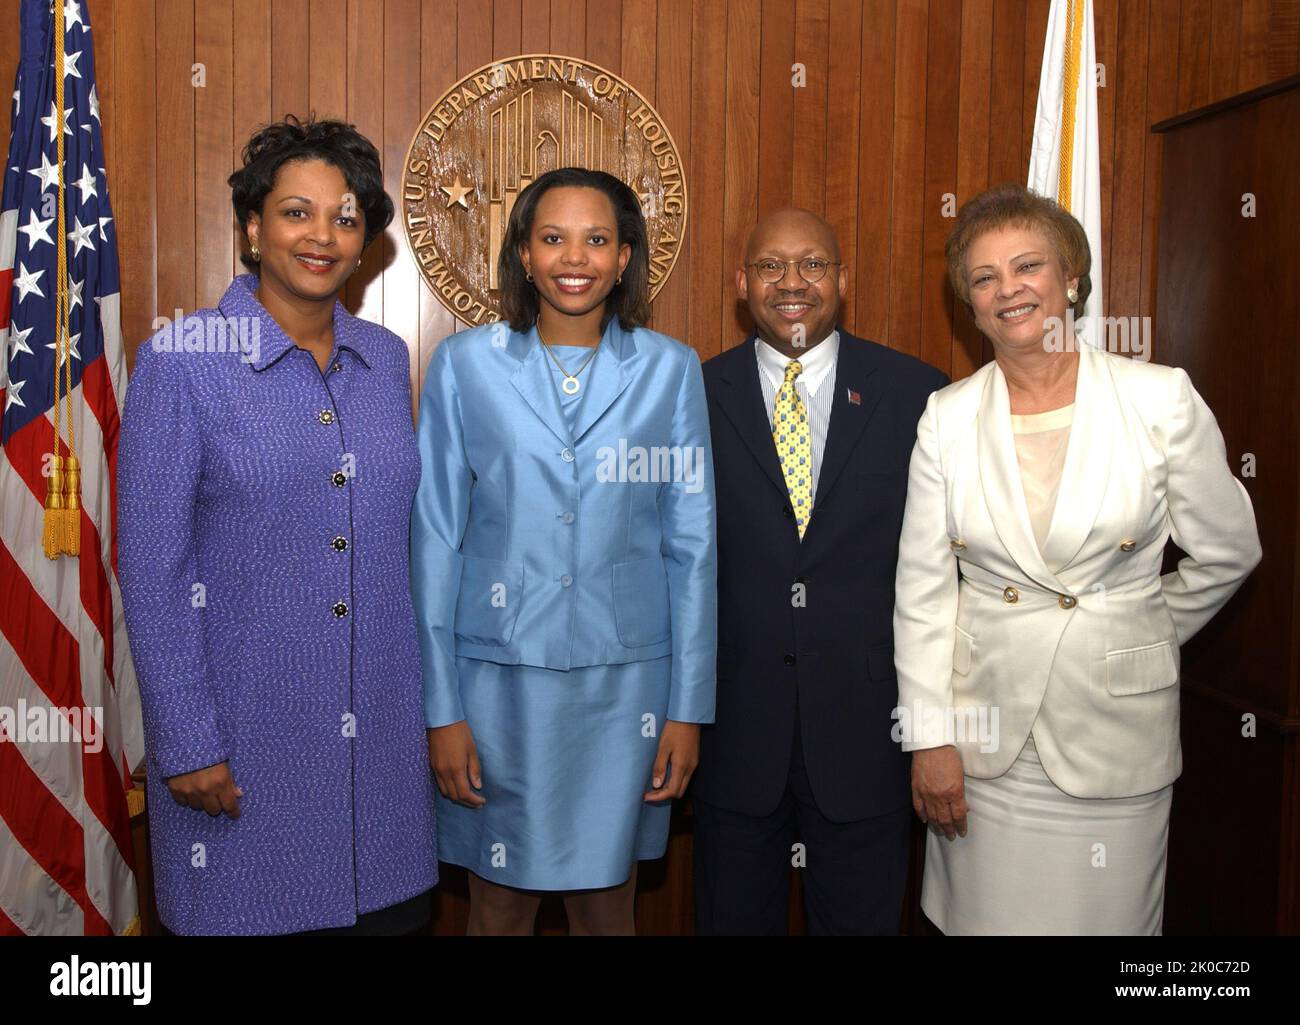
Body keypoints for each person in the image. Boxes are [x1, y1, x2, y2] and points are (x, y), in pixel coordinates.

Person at [895, 182, 1263, 935]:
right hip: (983, 744)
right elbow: (924, 591)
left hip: (1113, 735)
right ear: (969, 303)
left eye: (1027, 266)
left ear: (1071, 278)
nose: (1008, 289)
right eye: (984, 277)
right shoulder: (947, 416)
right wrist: (928, 735)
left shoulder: (1159, 400)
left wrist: (1139, 630)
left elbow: (1229, 550)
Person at [118, 116, 437, 935]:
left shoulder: (384, 358)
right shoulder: (183, 361)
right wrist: (185, 741)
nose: (322, 235)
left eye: (345, 216)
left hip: (383, 765)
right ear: (254, 227)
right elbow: (152, 572)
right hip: (240, 758)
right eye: (297, 212)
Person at [411, 167, 716, 936]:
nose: (572, 257)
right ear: (521, 253)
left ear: (624, 257)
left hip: (627, 690)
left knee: (607, 903)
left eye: (596, 239)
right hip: (497, 684)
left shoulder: (671, 369)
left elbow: (692, 544)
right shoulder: (464, 364)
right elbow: (437, 536)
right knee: (499, 902)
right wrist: (440, 707)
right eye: (552, 237)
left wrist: (688, 708)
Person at [691, 208, 948, 934]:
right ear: (743, 284)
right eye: (771, 266)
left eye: (813, 264)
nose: (792, 282)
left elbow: (942, 578)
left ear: (843, 278)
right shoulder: (690, 396)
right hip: (732, 740)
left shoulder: (919, 395)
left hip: (870, 740)